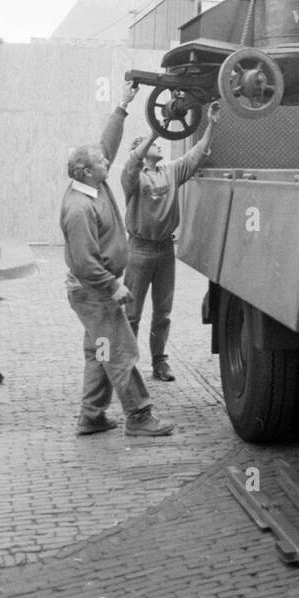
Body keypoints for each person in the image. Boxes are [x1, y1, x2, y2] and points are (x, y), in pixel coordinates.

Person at [61, 82, 173, 438]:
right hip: (94, 291)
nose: (108, 160)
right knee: (121, 351)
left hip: (94, 291)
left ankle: (91, 417)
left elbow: (106, 143)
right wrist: (113, 287)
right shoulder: (79, 209)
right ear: (85, 171)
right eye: (101, 161)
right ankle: (139, 417)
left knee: (100, 351)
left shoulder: (95, 183)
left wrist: (123, 105)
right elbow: (84, 262)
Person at [121, 100, 220, 381]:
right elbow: (132, 162)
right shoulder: (133, 178)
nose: (160, 146)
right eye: (153, 144)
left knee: (163, 312)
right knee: (132, 313)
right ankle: (127, 365)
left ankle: (159, 362)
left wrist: (211, 124)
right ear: (139, 150)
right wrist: (155, 131)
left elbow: (197, 154)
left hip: (164, 250)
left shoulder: (171, 171)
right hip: (139, 251)